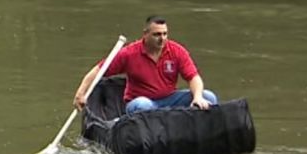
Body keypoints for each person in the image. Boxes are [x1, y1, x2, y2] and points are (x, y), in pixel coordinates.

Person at [73, 15, 217, 115]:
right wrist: (81, 93)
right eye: (157, 35)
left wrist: (197, 97)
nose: (162, 39)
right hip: (140, 103)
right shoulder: (129, 53)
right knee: (144, 106)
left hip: (169, 100)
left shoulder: (176, 51)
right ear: (145, 34)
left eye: (165, 34)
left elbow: (194, 77)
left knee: (209, 97)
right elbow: (99, 70)